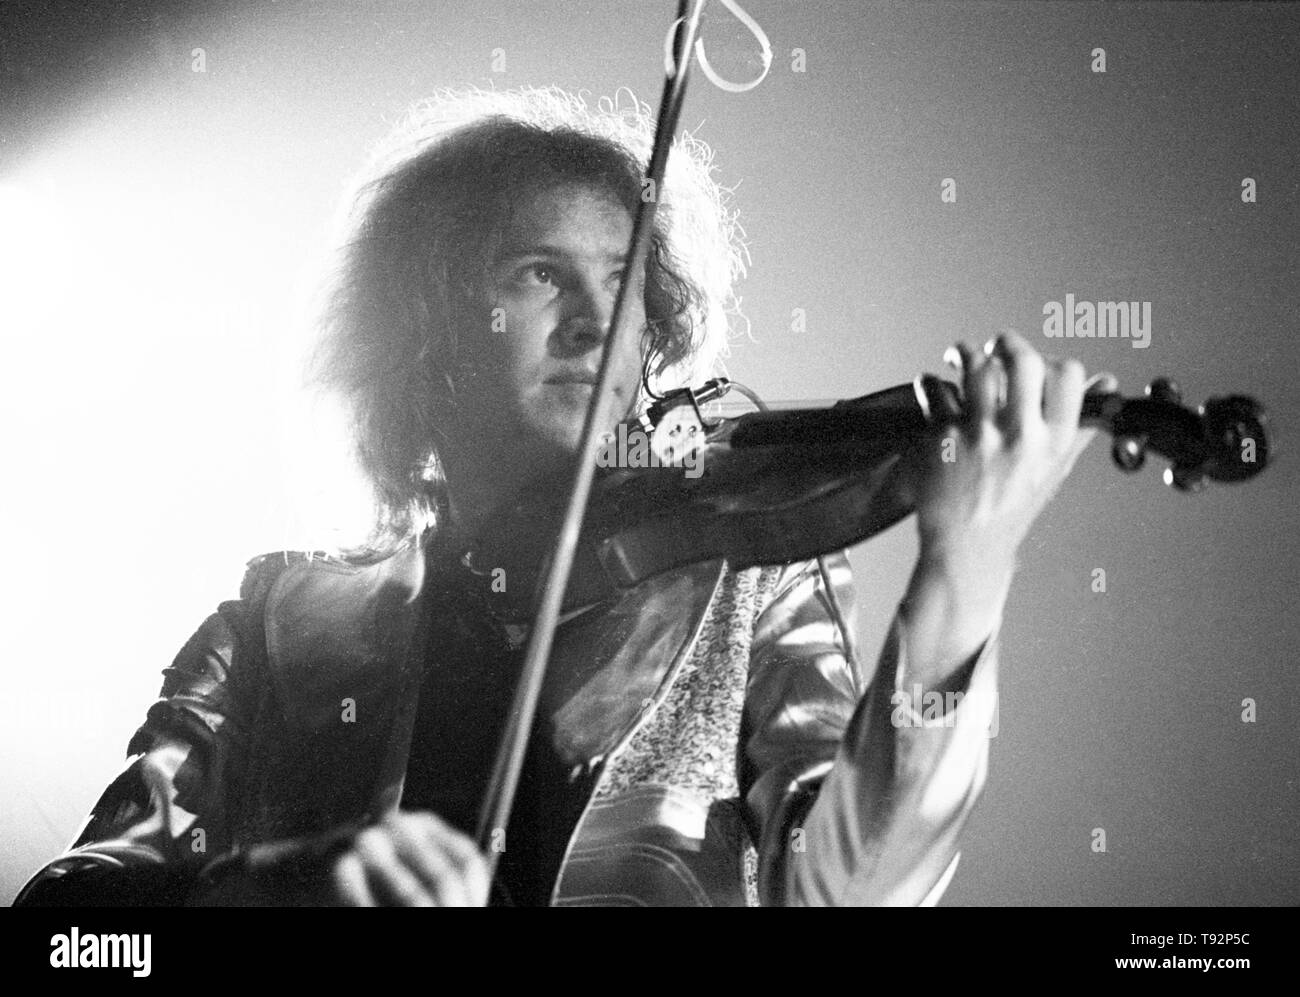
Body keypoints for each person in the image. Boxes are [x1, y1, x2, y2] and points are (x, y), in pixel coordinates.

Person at [14, 87, 1107, 907]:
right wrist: (275, 885)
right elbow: (70, 927)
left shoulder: (744, 587)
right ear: (429, 334)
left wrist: (967, 572)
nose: (595, 321)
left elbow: (849, 889)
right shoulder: (275, 620)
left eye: (625, 286)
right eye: (537, 274)